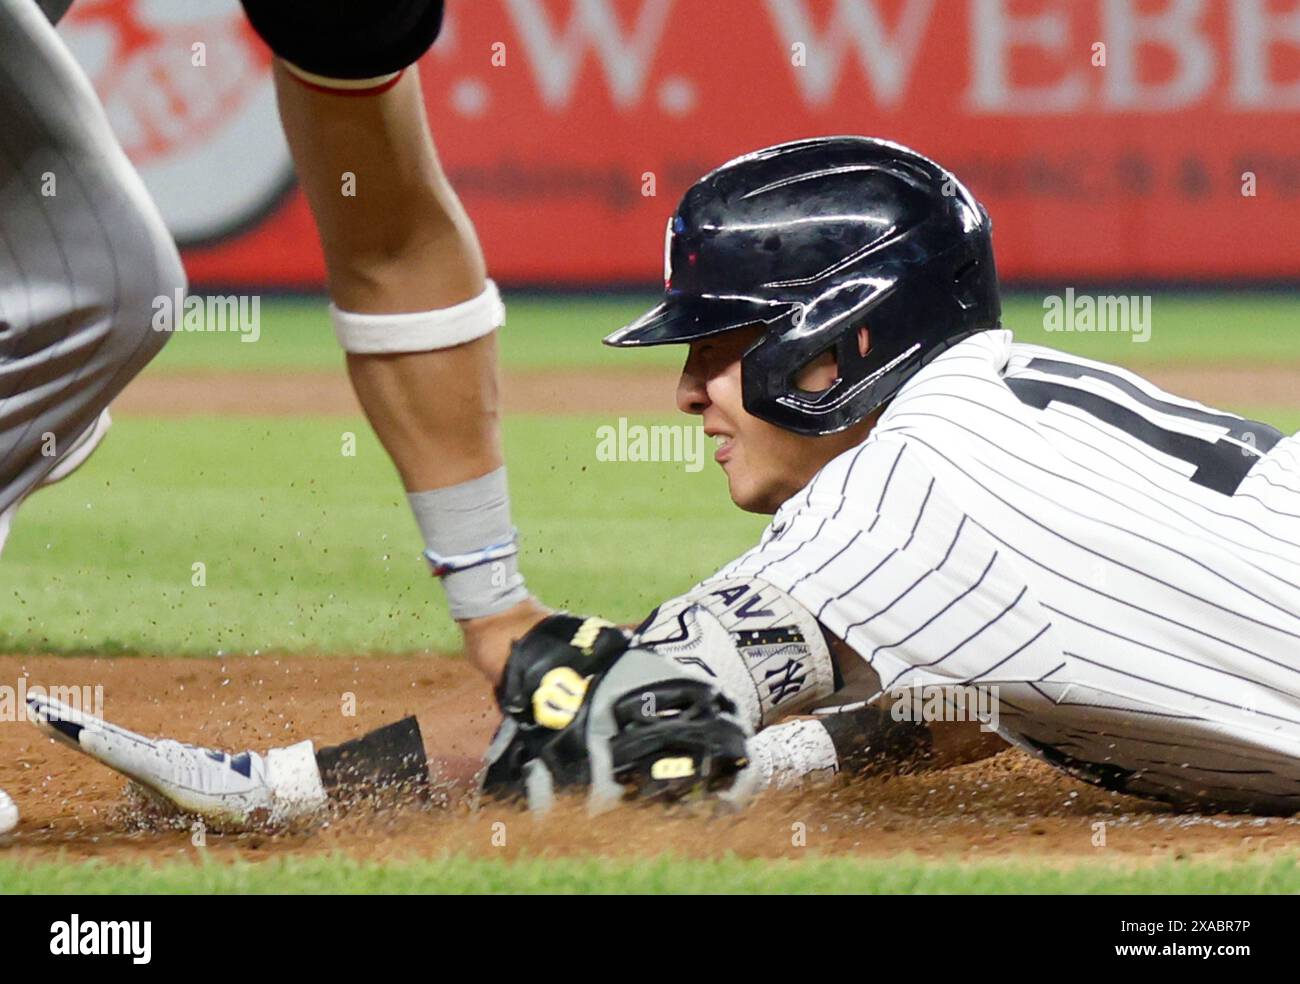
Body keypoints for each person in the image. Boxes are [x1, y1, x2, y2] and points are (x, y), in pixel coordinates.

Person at [31, 136, 1300, 822]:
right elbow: (965, 698)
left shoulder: (900, 500)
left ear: (841, 338)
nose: (689, 393)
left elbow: (614, 716)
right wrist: (776, 762)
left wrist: (286, 788)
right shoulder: (1002, 400)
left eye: (721, 344)